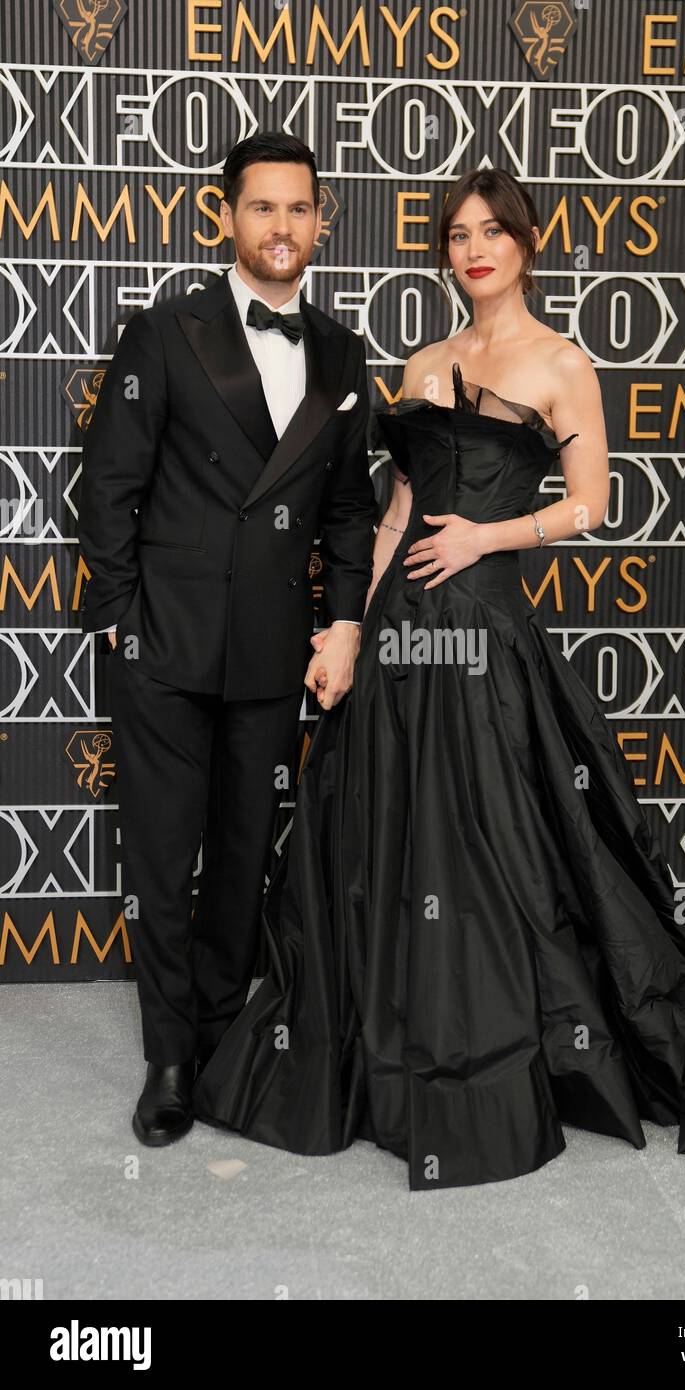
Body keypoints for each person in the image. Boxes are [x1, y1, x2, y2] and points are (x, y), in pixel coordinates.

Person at [193, 167, 685, 1190]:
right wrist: (345, 626)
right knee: (381, 835)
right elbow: (397, 510)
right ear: (442, 252)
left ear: (526, 243)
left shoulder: (559, 362)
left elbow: (590, 503)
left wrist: (489, 532)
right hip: (402, 631)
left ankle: (494, 1048)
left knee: (496, 846)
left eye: (492, 231)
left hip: (485, 632)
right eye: (455, 235)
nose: (473, 249)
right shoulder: (425, 357)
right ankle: (381, 1049)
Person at [77, 133, 376, 1146]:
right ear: (224, 217)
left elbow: (345, 513)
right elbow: (107, 488)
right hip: (161, 645)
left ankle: (216, 1032)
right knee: (163, 861)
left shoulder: (341, 354)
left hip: (269, 651)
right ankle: (169, 1056)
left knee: (243, 859)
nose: (281, 227)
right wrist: (120, 624)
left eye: (299, 209)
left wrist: (341, 623)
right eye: (261, 208)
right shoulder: (164, 332)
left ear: (320, 220)